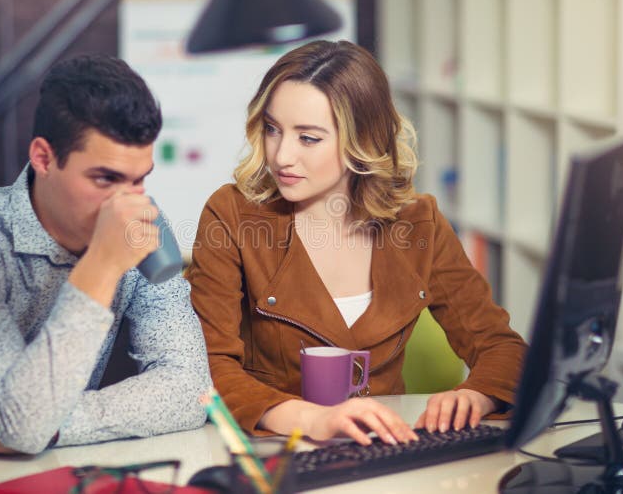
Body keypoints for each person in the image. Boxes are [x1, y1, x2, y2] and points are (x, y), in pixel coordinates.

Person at [185, 40, 528, 446]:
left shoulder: (419, 223)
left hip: (389, 453)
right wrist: (308, 420)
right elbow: (209, 367)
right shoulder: (231, 214)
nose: (281, 156)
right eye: (273, 129)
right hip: (278, 452)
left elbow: (502, 347)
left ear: (362, 140)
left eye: (308, 138)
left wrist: (477, 397)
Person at [0, 54, 211, 457]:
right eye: (105, 178)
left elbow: (191, 389)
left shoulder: (141, 223)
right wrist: (102, 264)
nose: (127, 201)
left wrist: (60, 426)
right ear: (44, 158)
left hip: (57, 459)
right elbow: (24, 424)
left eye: (139, 179)